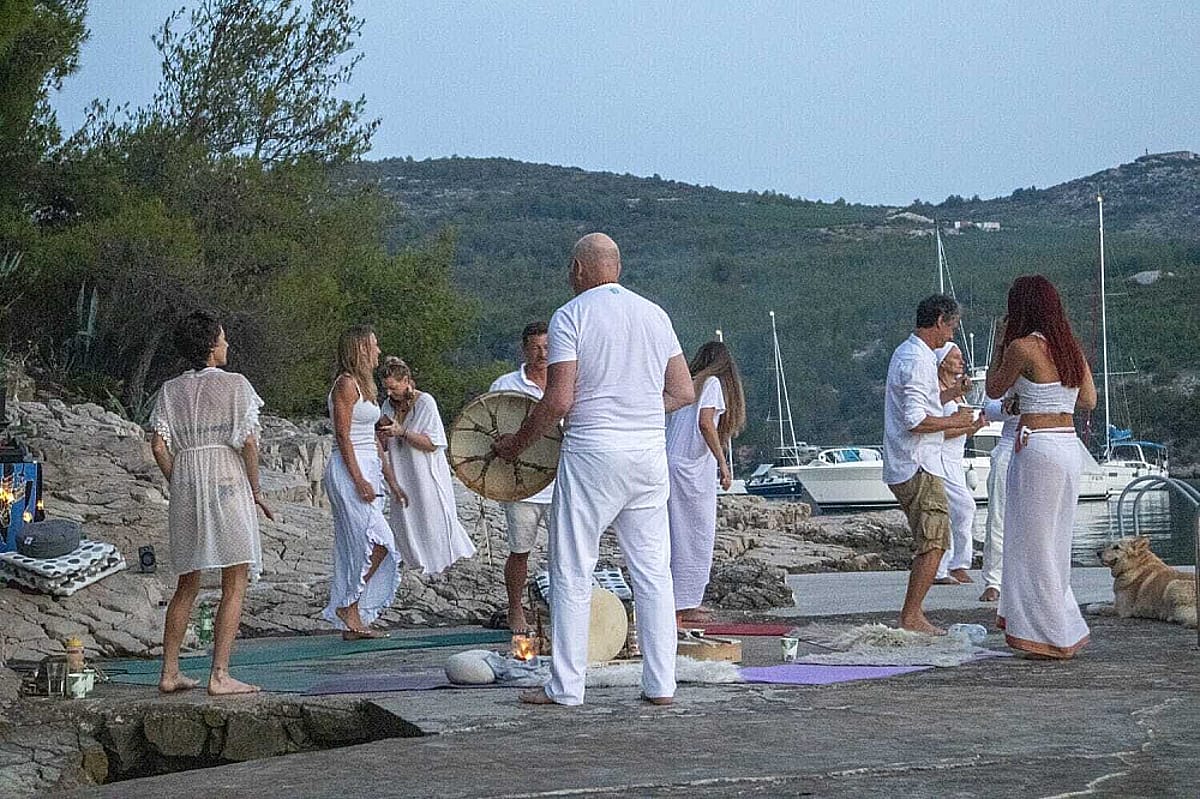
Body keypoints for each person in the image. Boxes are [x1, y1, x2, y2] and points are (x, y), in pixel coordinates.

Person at [493, 232, 695, 707]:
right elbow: (684, 392)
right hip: (647, 454)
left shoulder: (571, 315)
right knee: (652, 573)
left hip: (593, 452)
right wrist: (642, 411)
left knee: (571, 568)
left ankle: (566, 687)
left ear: (579, 269)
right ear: (617, 267)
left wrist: (517, 443)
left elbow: (559, 399)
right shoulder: (654, 314)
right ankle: (661, 686)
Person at [150, 310, 274, 695]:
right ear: (210, 346)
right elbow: (249, 442)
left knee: (187, 582)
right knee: (234, 580)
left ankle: (170, 672)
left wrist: (179, 479)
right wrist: (255, 490)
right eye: (222, 338)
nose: (227, 344)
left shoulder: (170, 390)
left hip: (186, 478)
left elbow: (158, 444)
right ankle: (219, 675)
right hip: (225, 479)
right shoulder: (236, 385)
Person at [986, 275, 1097, 659]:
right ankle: (1059, 626)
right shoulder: (1069, 347)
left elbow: (992, 389)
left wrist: (1000, 343)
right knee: (1057, 540)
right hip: (1069, 446)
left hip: (1038, 449)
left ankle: (1049, 633)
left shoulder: (1021, 347)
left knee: (1032, 542)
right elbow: (1089, 400)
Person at [882, 294, 975, 634]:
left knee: (935, 538)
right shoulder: (919, 360)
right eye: (951, 328)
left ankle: (913, 614)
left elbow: (926, 402)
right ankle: (912, 615)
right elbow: (915, 420)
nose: (951, 335)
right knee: (934, 540)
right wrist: (957, 422)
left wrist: (951, 399)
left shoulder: (908, 353)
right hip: (918, 462)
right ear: (939, 321)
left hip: (914, 460)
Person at [323, 325, 404, 640]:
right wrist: (358, 479)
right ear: (360, 349)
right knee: (375, 541)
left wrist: (388, 478)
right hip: (348, 470)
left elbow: (369, 433)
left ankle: (352, 615)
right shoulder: (345, 385)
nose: (378, 351)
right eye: (373, 345)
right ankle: (348, 606)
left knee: (365, 544)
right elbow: (343, 435)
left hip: (367, 466)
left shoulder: (364, 386)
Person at [666, 341, 745, 628]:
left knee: (676, 534)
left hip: (672, 461)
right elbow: (705, 423)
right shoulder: (711, 383)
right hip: (691, 467)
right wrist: (723, 462)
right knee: (696, 535)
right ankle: (682, 603)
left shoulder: (686, 383)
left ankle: (683, 602)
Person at [378, 356, 476, 575]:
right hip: (401, 471)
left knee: (432, 514)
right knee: (405, 517)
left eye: (393, 388)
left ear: (406, 381)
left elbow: (433, 443)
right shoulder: (387, 405)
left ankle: (442, 560)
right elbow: (385, 444)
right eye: (386, 389)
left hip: (425, 472)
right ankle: (411, 559)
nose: (389, 393)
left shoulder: (425, 403)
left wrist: (402, 432)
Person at [489, 322, 553, 633]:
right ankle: (516, 609)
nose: (542, 353)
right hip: (520, 484)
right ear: (524, 350)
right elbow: (490, 427)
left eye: (547, 347)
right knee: (520, 549)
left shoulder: (565, 381)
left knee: (568, 551)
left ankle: (568, 609)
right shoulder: (506, 384)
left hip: (561, 480)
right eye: (536, 347)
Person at [932, 342, 986, 586]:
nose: (961, 362)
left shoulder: (957, 391)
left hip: (955, 460)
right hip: (941, 458)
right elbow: (937, 432)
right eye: (956, 358)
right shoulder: (937, 392)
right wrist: (963, 425)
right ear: (943, 362)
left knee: (958, 511)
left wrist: (973, 427)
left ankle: (953, 564)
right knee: (963, 508)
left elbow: (960, 430)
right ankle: (951, 566)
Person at [978, 389, 1019, 603]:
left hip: (1042, 443)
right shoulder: (1007, 368)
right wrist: (1008, 407)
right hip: (1009, 444)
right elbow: (990, 409)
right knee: (998, 517)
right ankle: (994, 581)